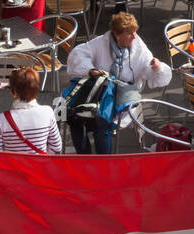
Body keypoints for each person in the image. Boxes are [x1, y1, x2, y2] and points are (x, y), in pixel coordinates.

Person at [65, 11, 171, 153]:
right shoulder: (101, 42)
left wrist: (158, 68)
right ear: (116, 34)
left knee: (102, 124)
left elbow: (152, 74)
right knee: (75, 119)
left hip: (125, 95)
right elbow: (77, 54)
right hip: (100, 91)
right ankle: (85, 159)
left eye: (135, 32)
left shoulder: (139, 48)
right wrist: (90, 69)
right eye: (129, 33)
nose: (134, 36)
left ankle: (104, 163)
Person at [0, 66, 61, 154]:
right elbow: (57, 147)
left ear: (14, 92)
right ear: (36, 89)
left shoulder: (2, 119)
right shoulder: (48, 112)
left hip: (12, 167)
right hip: (40, 166)